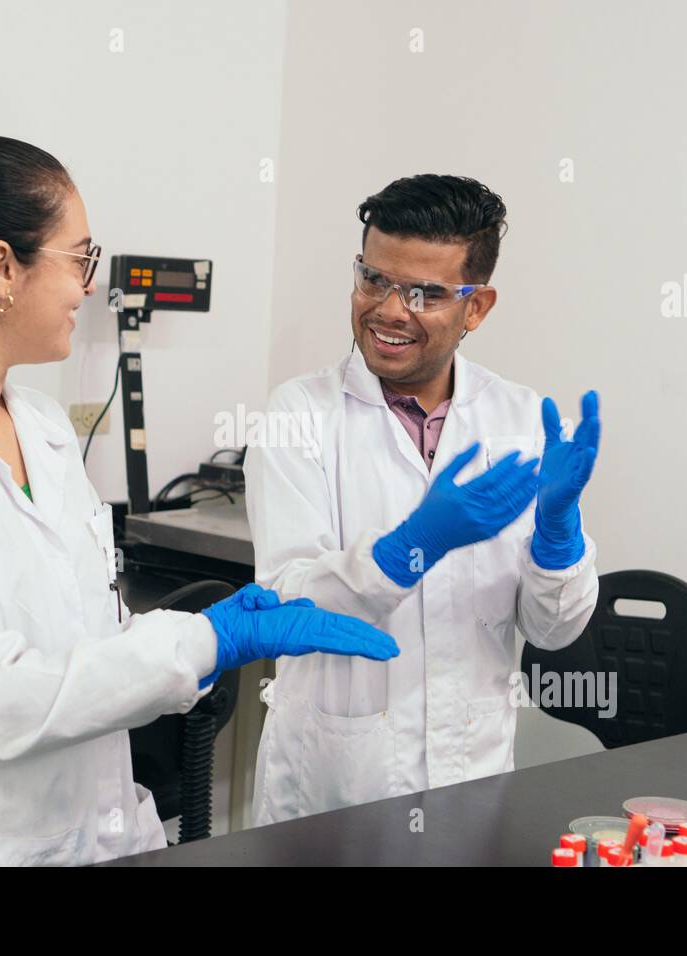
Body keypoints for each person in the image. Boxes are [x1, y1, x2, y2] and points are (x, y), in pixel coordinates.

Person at [0, 135, 398, 865]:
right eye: (80, 258)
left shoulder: (41, 426)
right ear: (1, 268)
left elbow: (88, 650)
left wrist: (182, 651)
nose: (88, 284)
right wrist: (209, 641)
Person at [245, 174, 602, 825]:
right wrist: (414, 545)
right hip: (336, 790)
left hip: (472, 782)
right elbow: (286, 606)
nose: (388, 309)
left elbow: (555, 629)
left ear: (477, 306)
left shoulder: (519, 420)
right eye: (373, 279)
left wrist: (558, 535)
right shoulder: (298, 414)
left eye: (425, 293)